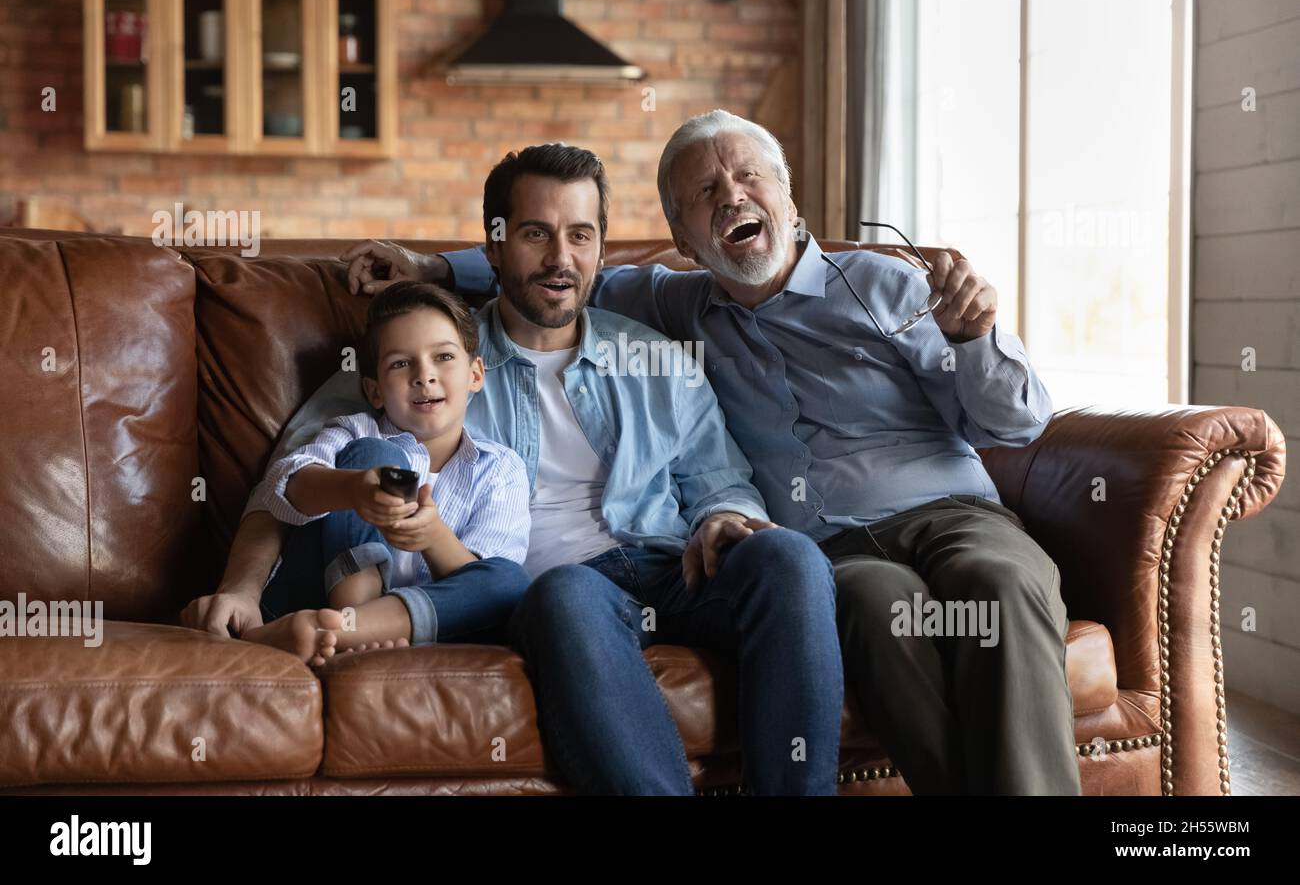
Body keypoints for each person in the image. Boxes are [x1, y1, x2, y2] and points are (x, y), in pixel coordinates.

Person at [351, 110, 1080, 795]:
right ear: (683, 235)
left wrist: (973, 338)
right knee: (873, 605)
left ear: (789, 199)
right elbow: (541, 282)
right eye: (705, 191)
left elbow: (1014, 424)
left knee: (954, 577)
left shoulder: (885, 287)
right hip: (826, 554)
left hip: (933, 515)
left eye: (749, 177)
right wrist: (433, 270)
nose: (731, 196)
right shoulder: (645, 316)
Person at [185, 142, 844, 796]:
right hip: (557, 592)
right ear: (493, 248)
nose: (561, 259)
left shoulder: (661, 359)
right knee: (566, 592)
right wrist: (241, 589)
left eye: (580, 236)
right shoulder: (432, 361)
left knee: (789, 558)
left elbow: (719, 482)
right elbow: (289, 480)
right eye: (536, 234)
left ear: (602, 251)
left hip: (675, 570)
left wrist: (727, 517)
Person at [245, 282, 531, 665]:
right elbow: (285, 487)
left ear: (475, 374)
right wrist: (352, 490)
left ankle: (352, 630)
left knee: (509, 581)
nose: (423, 376)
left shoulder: (501, 468)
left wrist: (433, 536)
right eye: (400, 363)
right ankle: (350, 620)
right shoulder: (356, 430)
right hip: (313, 595)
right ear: (374, 391)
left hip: (417, 625)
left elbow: (478, 582)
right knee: (373, 455)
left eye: (443, 357)